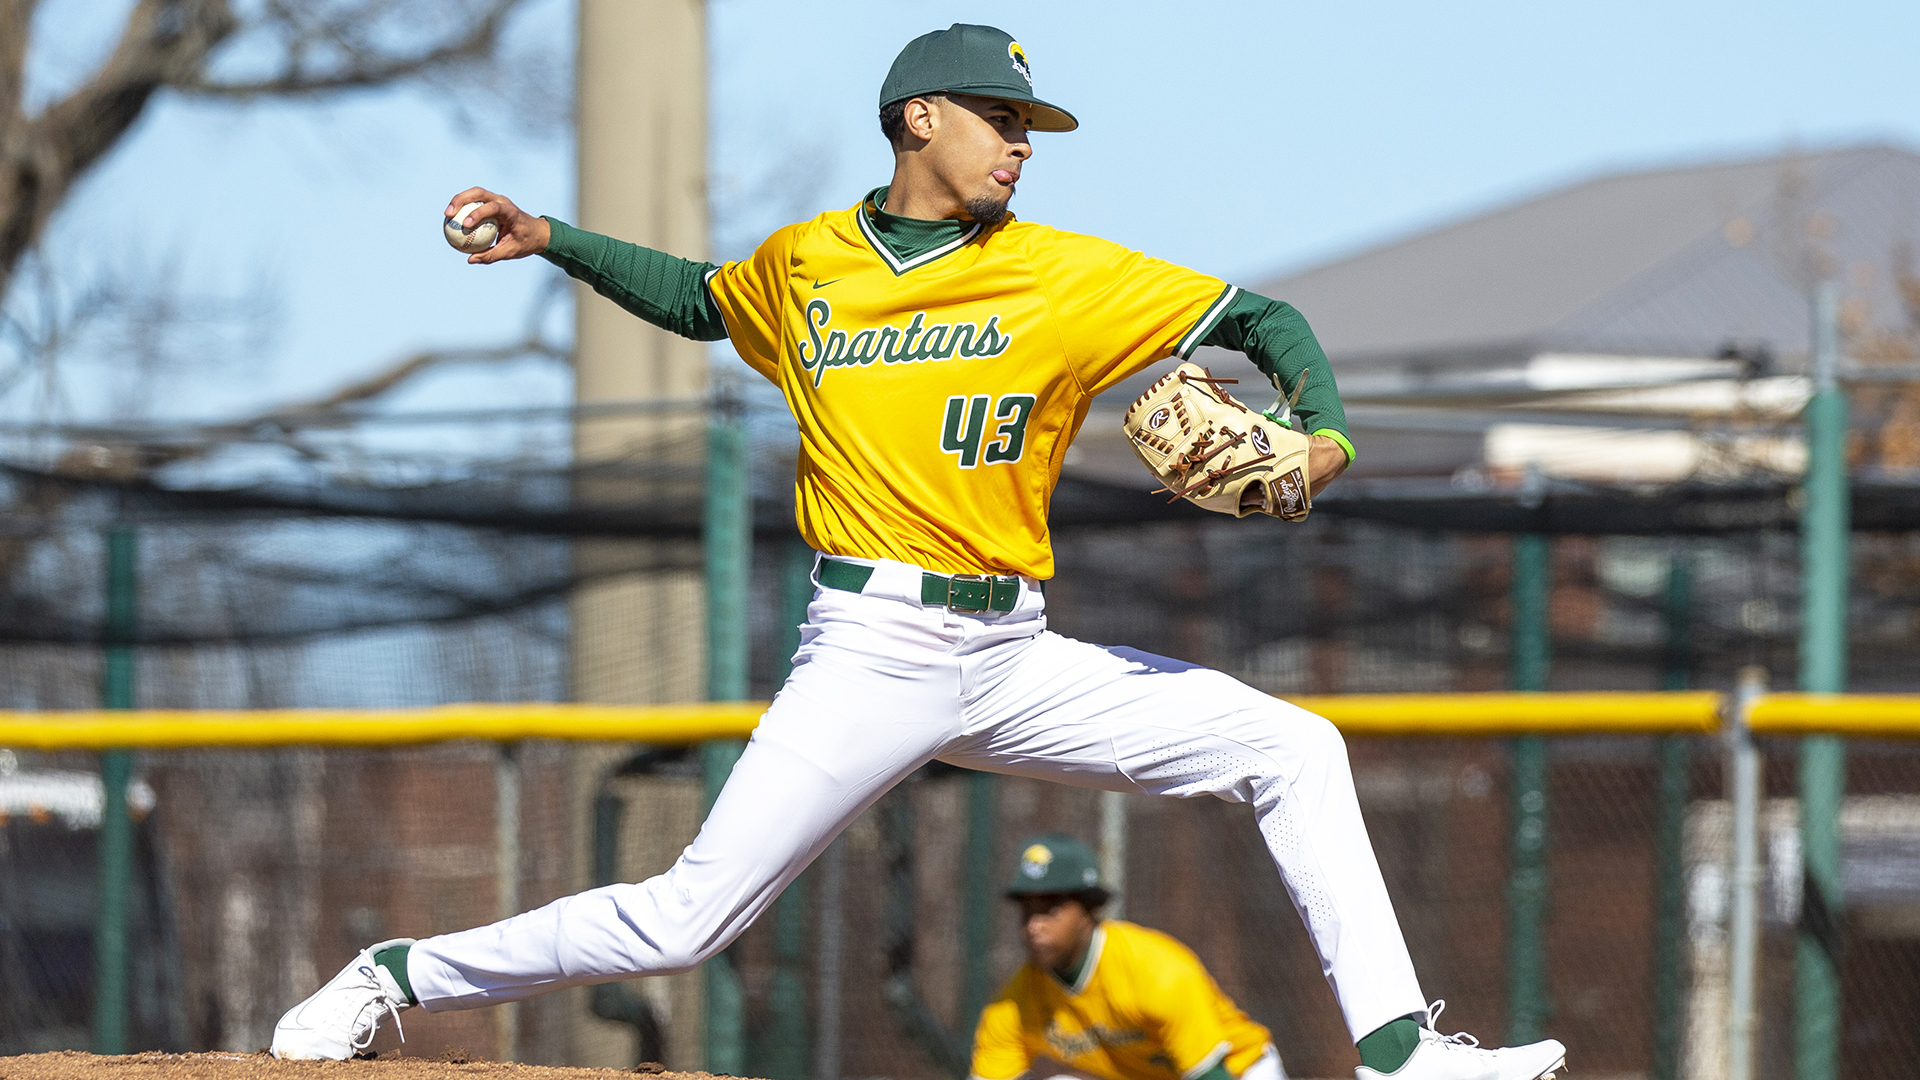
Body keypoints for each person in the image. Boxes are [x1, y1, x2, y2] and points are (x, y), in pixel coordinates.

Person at [272, 24, 1564, 1080]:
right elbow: (702, 298)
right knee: (686, 921)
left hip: (1014, 651)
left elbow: (1260, 317)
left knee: (1295, 747)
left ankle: (1401, 1053)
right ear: (918, 118)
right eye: (1002, 118)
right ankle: (395, 976)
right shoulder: (806, 265)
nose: (1022, 143)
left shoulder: (1063, 275)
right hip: (870, 649)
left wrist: (1325, 436)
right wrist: (555, 238)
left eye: (1029, 126)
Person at [973, 834, 1289, 1080]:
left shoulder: (1155, 970)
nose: (1034, 925)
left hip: (1238, 1070)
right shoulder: (1014, 1005)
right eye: (1026, 911)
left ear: (1089, 909)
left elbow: (1211, 1074)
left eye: (1050, 909)